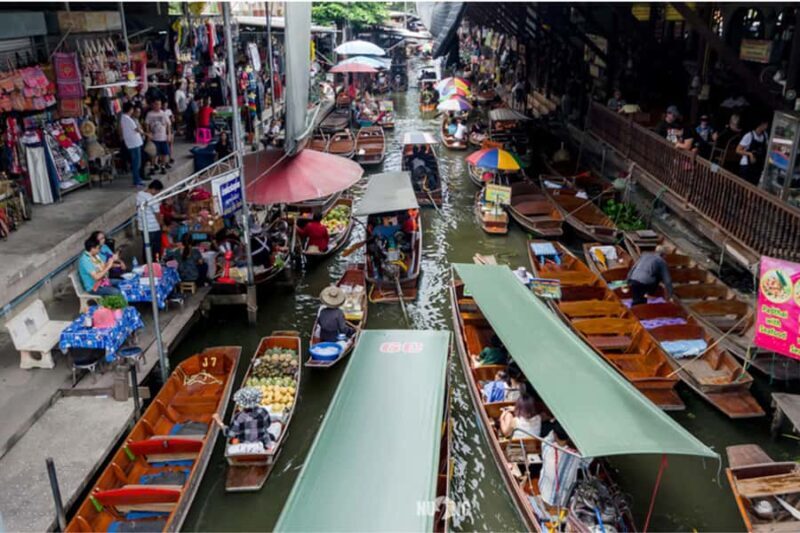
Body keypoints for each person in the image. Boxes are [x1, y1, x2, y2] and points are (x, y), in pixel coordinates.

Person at [212, 387, 279, 449]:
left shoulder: (239, 417)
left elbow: (230, 434)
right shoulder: (262, 411)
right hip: (263, 442)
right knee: (276, 426)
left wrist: (220, 422)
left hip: (245, 445)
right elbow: (267, 424)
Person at [136, 179, 164, 261]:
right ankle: (156, 263)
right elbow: (157, 214)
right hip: (153, 228)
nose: (158, 193)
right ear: (154, 189)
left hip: (143, 226)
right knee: (156, 248)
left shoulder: (139, 194)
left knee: (146, 246)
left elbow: (137, 208)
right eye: (158, 191)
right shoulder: (152, 199)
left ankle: (146, 263)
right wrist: (161, 224)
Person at [736, 119, 769, 185]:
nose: (767, 126)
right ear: (761, 124)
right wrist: (750, 154)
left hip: (757, 166)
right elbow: (738, 150)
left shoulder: (765, 135)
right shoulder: (749, 135)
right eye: (766, 124)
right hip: (746, 165)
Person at [120, 102, 145, 187]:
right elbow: (137, 129)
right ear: (130, 109)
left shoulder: (124, 118)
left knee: (136, 162)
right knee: (136, 163)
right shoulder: (128, 119)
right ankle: (136, 180)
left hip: (133, 142)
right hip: (134, 143)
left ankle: (138, 179)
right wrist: (142, 131)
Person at [145, 99, 172, 175]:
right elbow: (147, 124)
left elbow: (169, 124)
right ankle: (152, 167)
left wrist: (169, 134)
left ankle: (163, 166)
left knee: (164, 153)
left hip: (163, 137)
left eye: (159, 104)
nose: (158, 106)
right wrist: (148, 133)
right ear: (153, 105)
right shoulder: (149, 114)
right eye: (156, 104)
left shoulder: (163, 113)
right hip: (154, 137)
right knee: (154, 153)